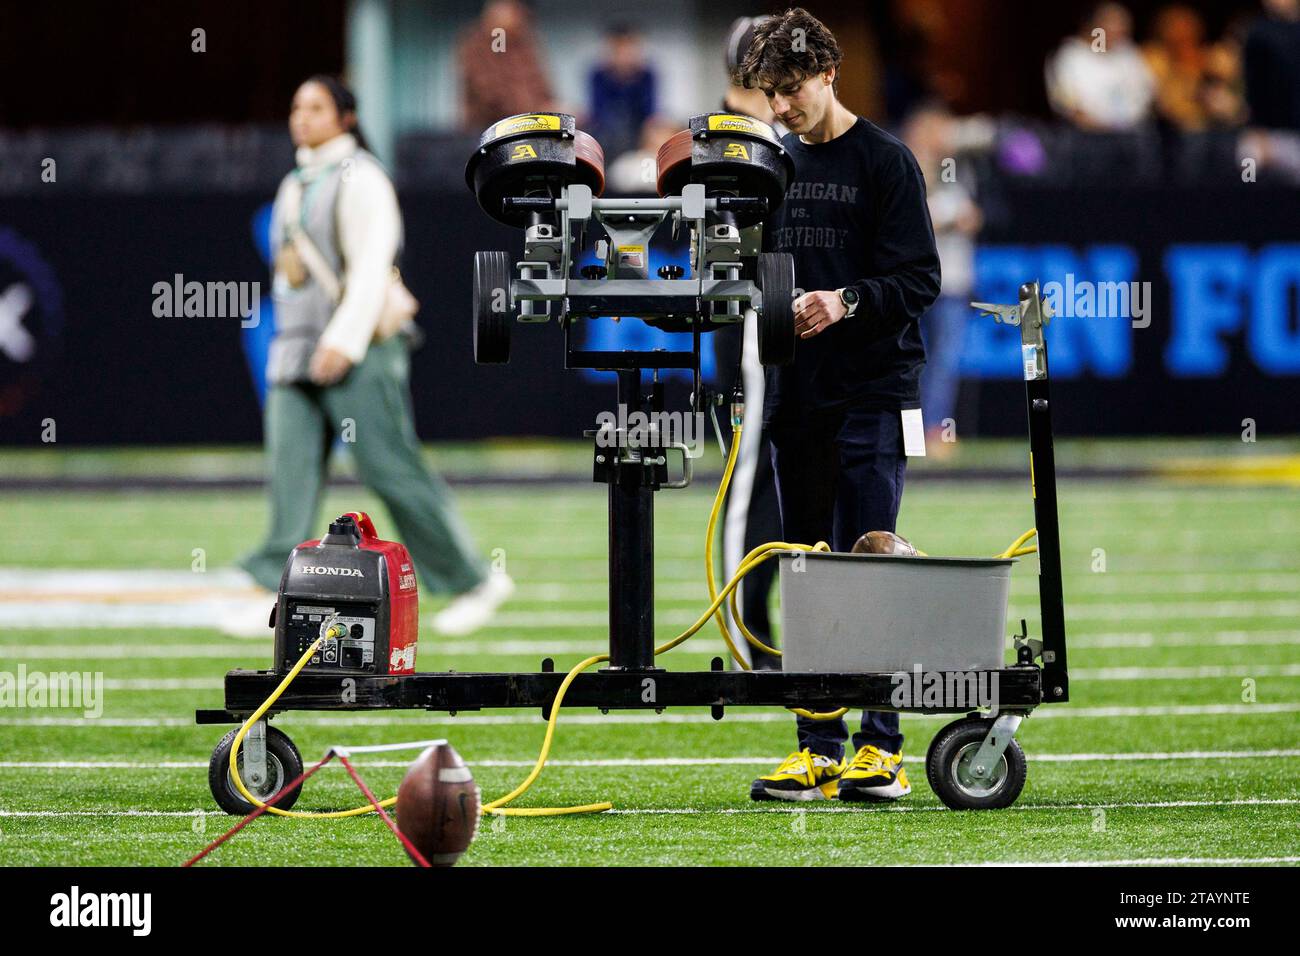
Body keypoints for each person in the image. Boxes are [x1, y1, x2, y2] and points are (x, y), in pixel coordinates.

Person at [732, 9, 940, 803]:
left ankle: (880, 747)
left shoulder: (886, 161)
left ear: (827, 74)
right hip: (800, 397)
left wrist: (846, 298)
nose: (778, 107)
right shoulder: (771, 166)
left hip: (874, 392)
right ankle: (818, 745)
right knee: (809, 573)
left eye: (787, 90)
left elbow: (921, 278)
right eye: (767, 94)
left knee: (871, 562)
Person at [237, 75, 513, 637]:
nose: (302, 117)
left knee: (388, 468)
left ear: (345, 117)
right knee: (289, 469)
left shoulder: (361, 177)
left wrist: (343, 341)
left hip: (358, 345)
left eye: (315, 107)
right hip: (297, 349)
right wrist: (289, 349)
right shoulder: (295, 182)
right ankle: (270, 586)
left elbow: (370, 268)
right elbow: (288, 279)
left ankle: (472, 580)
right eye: (296, 107)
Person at [1046, 2, 1155, 131]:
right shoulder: (1069, 56)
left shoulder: (1127, 53)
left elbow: (1147, 95)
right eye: (1111, 23)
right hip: (1089, 136)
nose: (1118, 30)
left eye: (1122, 25)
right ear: (1092, 25)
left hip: (1132, 132)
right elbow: (1070, 108)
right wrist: (1105, 129)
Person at [457, 0, 557, 132]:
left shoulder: (524, 43)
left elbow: (543, 89)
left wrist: (553, 109)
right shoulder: (486, 42)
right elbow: (492, 97)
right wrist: (539, 111)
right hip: (489, 132)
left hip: (527, 128)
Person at [587, 24, 657, 162]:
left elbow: (650, 111)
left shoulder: (646, 75)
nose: (624, 54)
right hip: (606, 134)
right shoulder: (599, 75)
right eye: (619, 49)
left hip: (639, 132)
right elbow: (597, 112)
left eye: (629, 48)